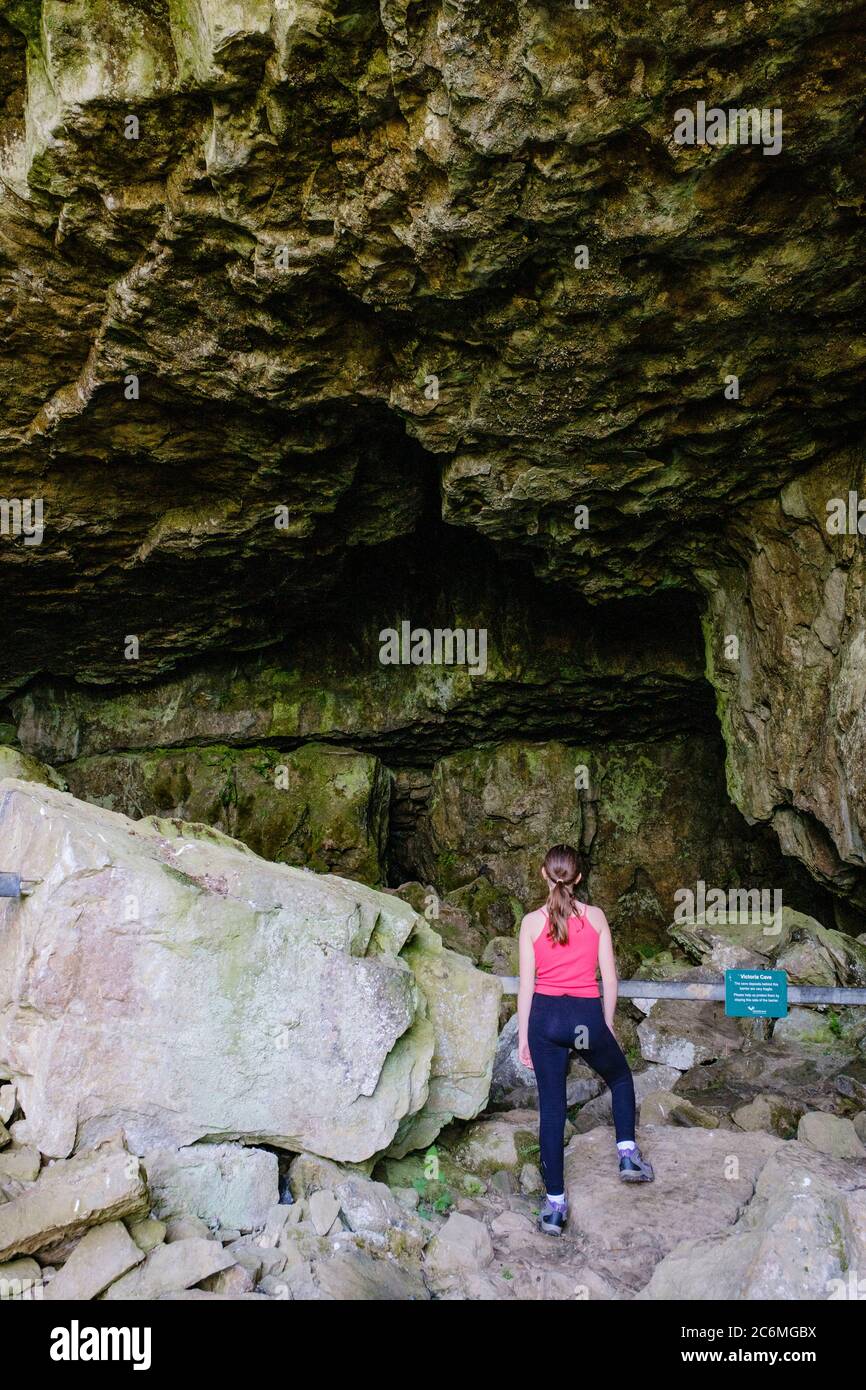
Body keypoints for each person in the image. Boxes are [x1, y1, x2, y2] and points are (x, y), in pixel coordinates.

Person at [518, 843, 654, 1236]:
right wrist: (606, 1023)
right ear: (578, 878)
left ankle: (555, 1207)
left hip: (545, 1020)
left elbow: (526, 985)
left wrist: (525, 1036)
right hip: (583, 1018)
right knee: (621, 1078)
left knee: (552, 1110)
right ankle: (627, 1156)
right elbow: (609, 978)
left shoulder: (530, 923)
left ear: (544, 874)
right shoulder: (595, 918)